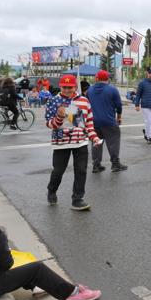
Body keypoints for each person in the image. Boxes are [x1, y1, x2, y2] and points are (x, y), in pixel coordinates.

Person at [0, 190, 101, 300]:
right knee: (36, 268)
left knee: (16, 267)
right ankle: (70, 294)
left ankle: (36, 285)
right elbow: (7, 264)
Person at [44, 74, 103, 211]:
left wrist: (94, 138)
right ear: (60, 86)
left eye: (70, 87)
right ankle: (51, 190)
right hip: (61, 142)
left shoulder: (84, 100)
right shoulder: (53, 101)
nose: (67, 90)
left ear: (75, 87)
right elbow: (51, 125)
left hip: (80, 142)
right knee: (58, 171)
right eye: (64, 87)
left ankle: (77, 199)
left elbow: (88, 122)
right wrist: (59, 116)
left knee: (81, 171)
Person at [86, 70, 127, 173]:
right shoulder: (112, 89)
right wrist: (119, 117)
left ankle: (96, 165)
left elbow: (87, 106)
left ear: (97, 78)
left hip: (94, 122)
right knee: (113, 142)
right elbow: (118, 106)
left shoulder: (89, 90)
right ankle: (115, 164)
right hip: (109, 122)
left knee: (96, 142)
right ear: (108, 79)